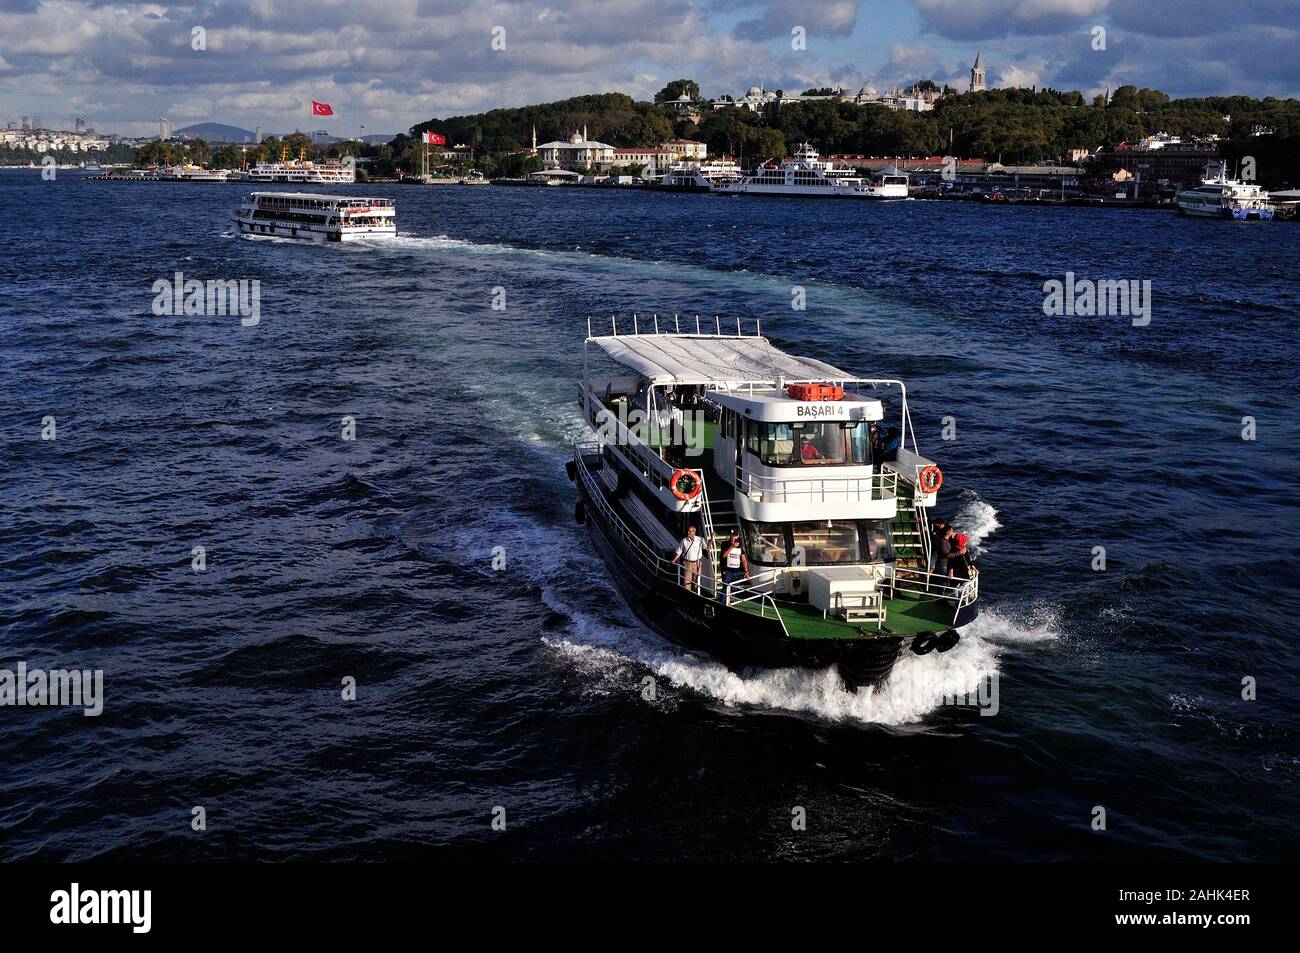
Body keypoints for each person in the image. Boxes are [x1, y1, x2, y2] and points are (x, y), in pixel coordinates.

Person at [670, 524, 705, 592]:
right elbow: (679, 552)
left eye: (690, 531)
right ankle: (687, 593)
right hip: (687, 562)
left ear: (694, 532)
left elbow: (706, 547)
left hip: (697, 562)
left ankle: (695, 593)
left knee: (696, 579)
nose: (688, 532)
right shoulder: (684, 541)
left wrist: (711, 541)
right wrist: (673, 560)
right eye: (688, 531)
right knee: (687, 580)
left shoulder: (700, 539)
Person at [720, 531, 749, 599]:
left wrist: (746, 571)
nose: (734, 537)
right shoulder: (725, 544)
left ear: (738, 536)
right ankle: (722, 602)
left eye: (736, 535)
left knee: (734, 588)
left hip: (736, 571)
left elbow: (743, 559)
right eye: (733, 535)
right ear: (730, 535)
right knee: (726, 588)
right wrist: (732, 546)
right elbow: (724, 555)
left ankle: (729, 600)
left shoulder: (740, 546)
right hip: (727, 570)